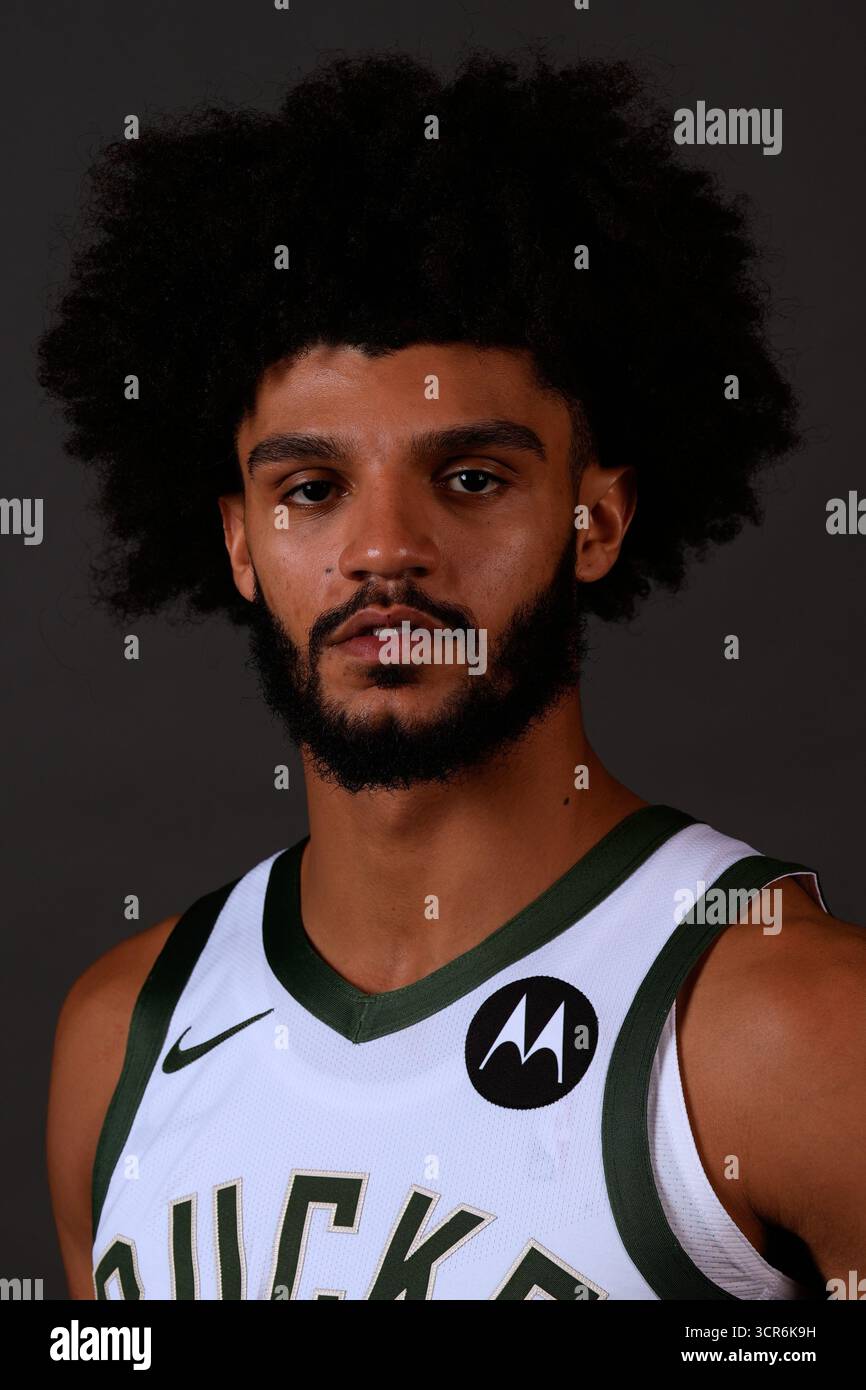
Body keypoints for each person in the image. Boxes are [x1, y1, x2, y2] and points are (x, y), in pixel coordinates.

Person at [41, 49, 865, 1301]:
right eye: (311, 491)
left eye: (470, 477)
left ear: (594, 518)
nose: (384, 552)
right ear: (238, 543)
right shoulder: (125, 1038)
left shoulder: (790, 1026)